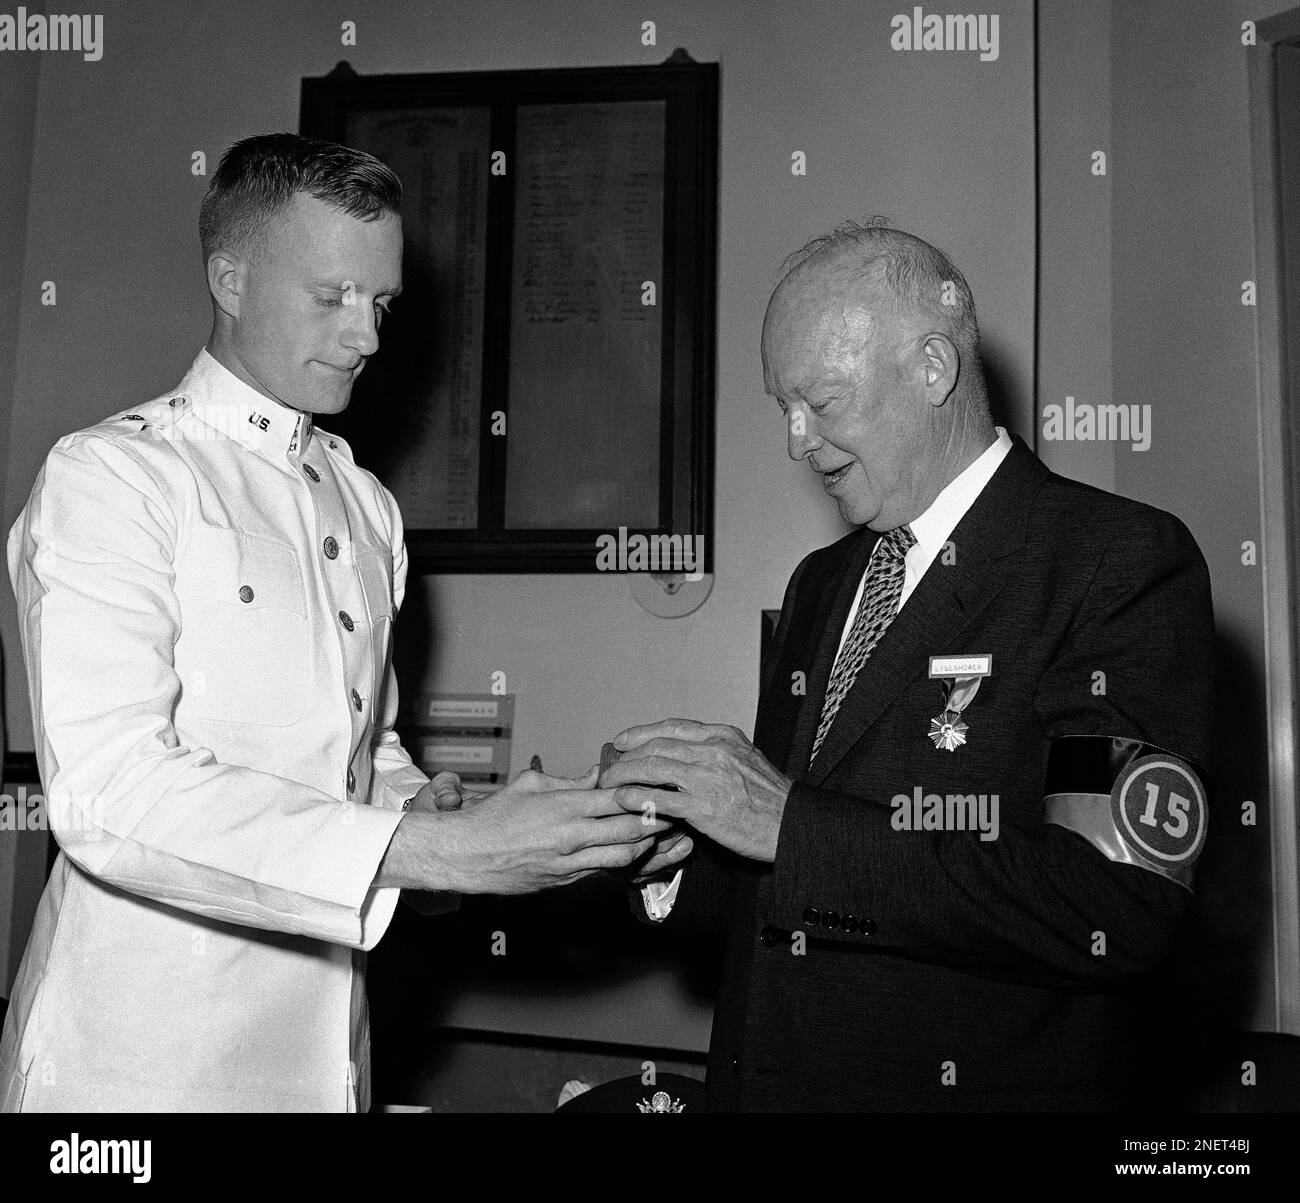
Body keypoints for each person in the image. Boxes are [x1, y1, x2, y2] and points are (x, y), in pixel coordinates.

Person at [0, 134, 681, 1112]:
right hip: (135, 1066)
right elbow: (108, 794)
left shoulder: (364, 504)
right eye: (333, 297)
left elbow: (365, 749)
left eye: (382, 303)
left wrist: (450, 817)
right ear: (230, 280)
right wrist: (434, 853)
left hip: (326, 1055)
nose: (367, 336)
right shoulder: (115, 476)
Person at [603, 221, 1214, 1112]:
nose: (797, 441)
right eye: (783, 407)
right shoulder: (822, 582)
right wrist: (669, 859)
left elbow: (1112, 904)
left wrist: (784, 824)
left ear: (932, 367)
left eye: (820, 400)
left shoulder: (1112, 561)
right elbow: (792, 868)